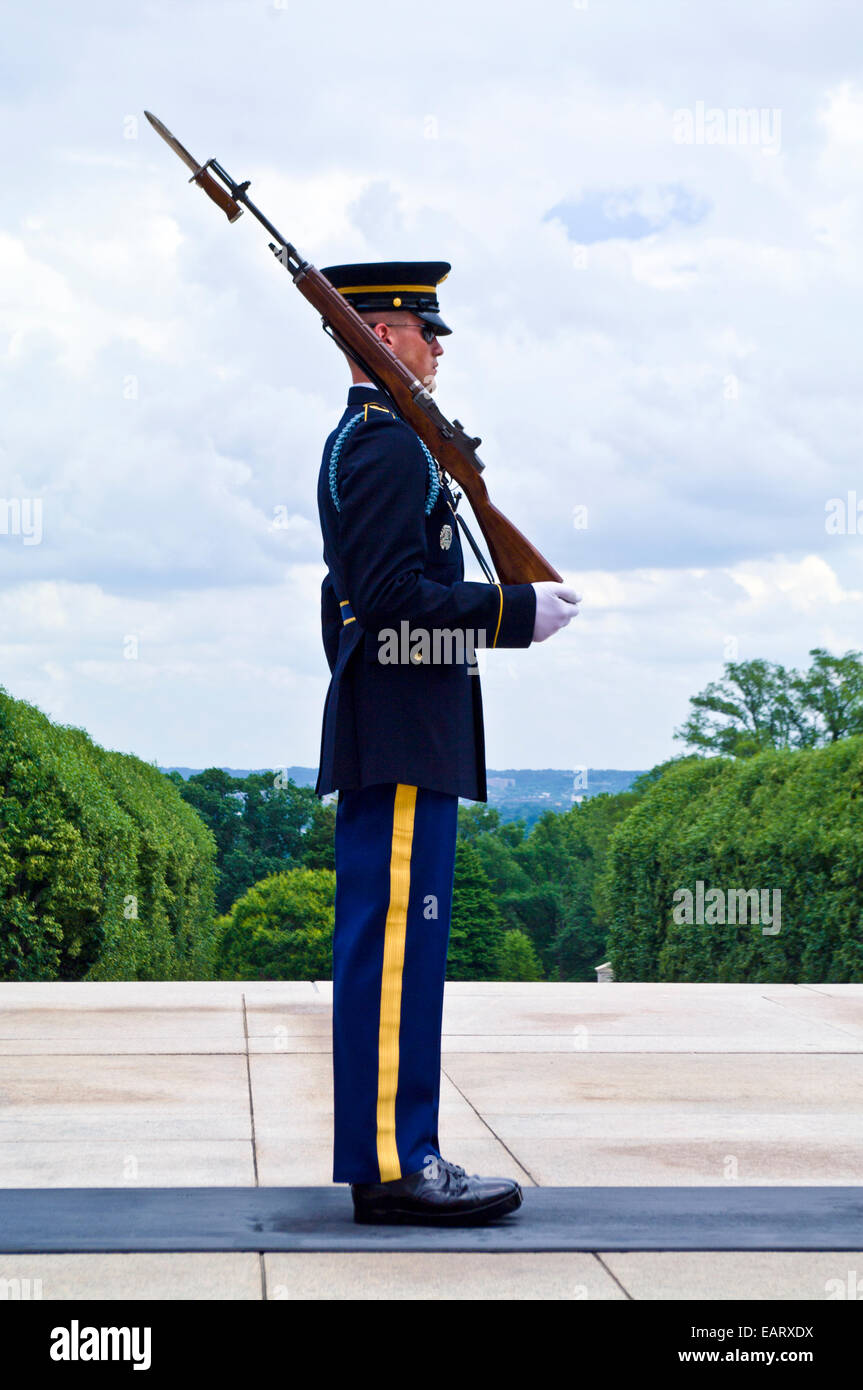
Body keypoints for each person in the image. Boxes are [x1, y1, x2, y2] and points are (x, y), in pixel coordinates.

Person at [314, 261, 580, 1225]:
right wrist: (511, 611)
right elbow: (383, 600)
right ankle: (394, 1167)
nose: (438, 349)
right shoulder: (385, 447)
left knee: (403, 953)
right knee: (391, 954)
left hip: (403, 731)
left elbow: (349, 601)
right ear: (381, 338)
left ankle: (401, 1152)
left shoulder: (385, 444)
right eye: (425, 333)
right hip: (398, 736)